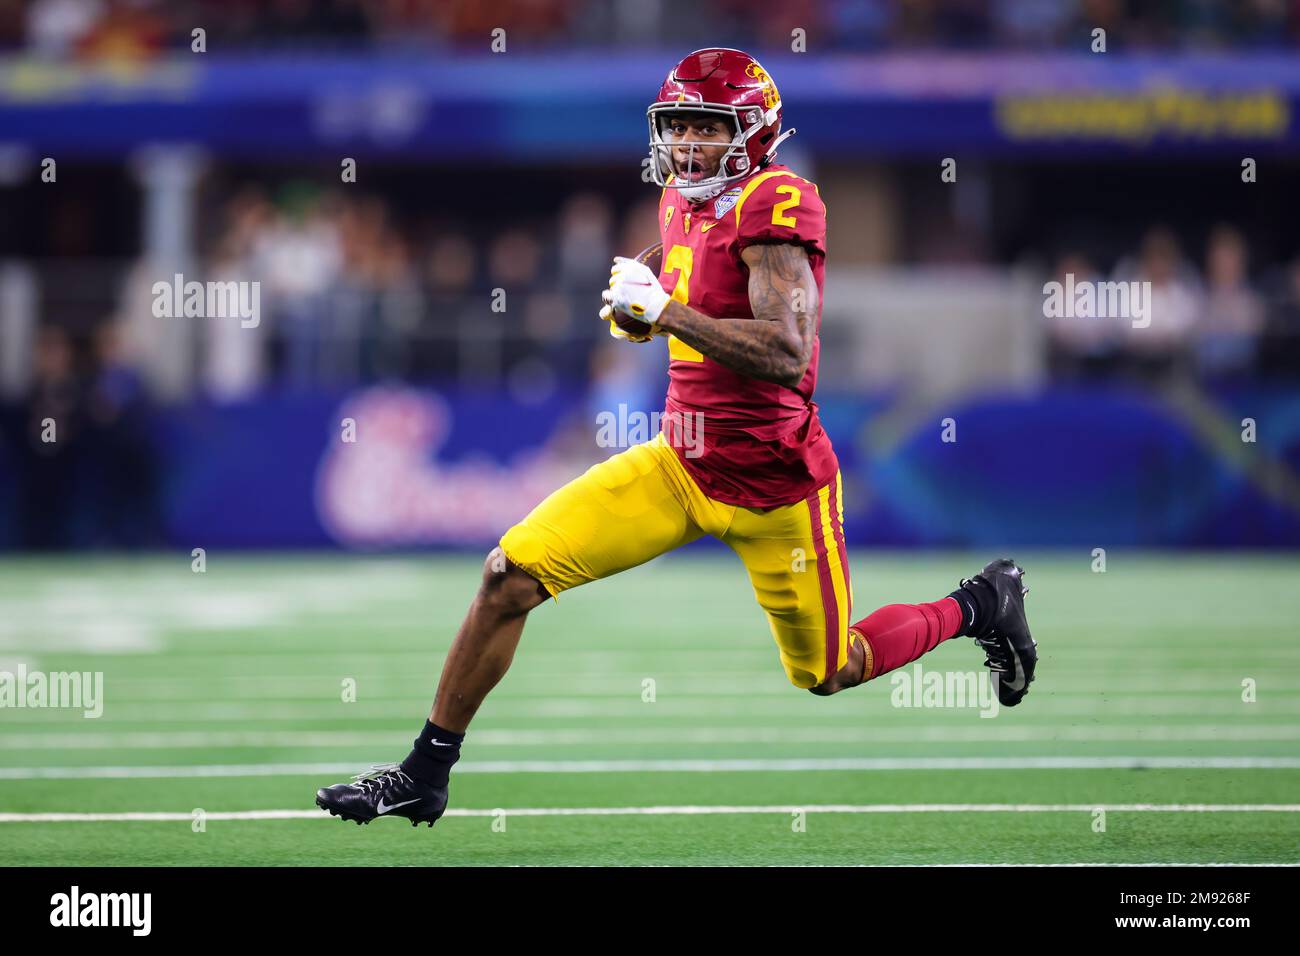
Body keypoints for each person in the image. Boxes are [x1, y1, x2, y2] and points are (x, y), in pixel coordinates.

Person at [316, 48, 1037, 828]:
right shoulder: (679, 194)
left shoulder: (776, 206)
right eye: (679, 126)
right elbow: (682, 260)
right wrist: (641, 294)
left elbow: (785, 352)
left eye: (707, 127)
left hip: (775, 490)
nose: (688, 145)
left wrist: (666, 313)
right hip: (680, 465)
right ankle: (425, 772)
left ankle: (981, 604)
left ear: (754, 132)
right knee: (507, 576)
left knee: (830, 671)